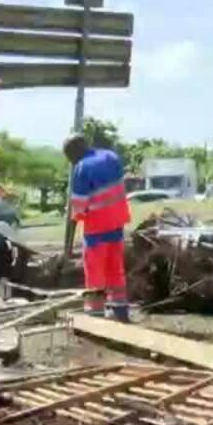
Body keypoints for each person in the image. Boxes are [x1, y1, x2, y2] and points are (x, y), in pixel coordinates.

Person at [63, 134, 131, 322]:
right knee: (115, 269)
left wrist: (68, 245)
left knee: (95, 272)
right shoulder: (111, 157)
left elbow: (78, 208)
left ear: (73, 153)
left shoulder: (82, 167)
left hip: (96, 229)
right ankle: (120, 310)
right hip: (117, 224)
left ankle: (95, 313)